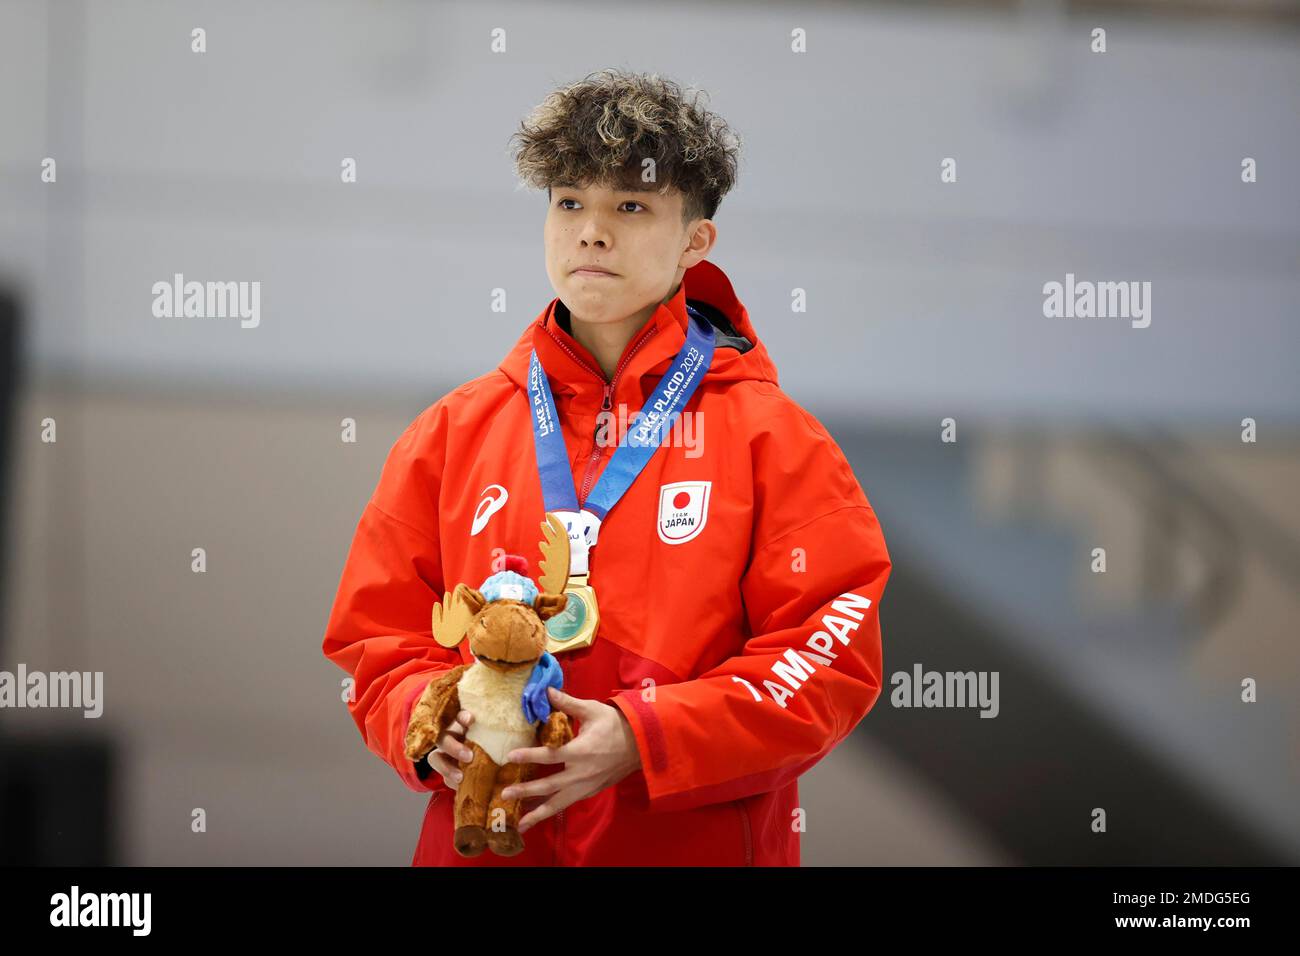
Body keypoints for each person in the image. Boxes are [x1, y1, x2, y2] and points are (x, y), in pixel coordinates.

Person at [321, 68, 891, 866]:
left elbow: (828, 657)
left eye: (630, 206)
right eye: (568, 203)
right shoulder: (450, 433)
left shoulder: (776, 443)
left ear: (696, 240)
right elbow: (375, 638)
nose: (591, 231)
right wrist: (427, 716)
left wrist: (645, 736)